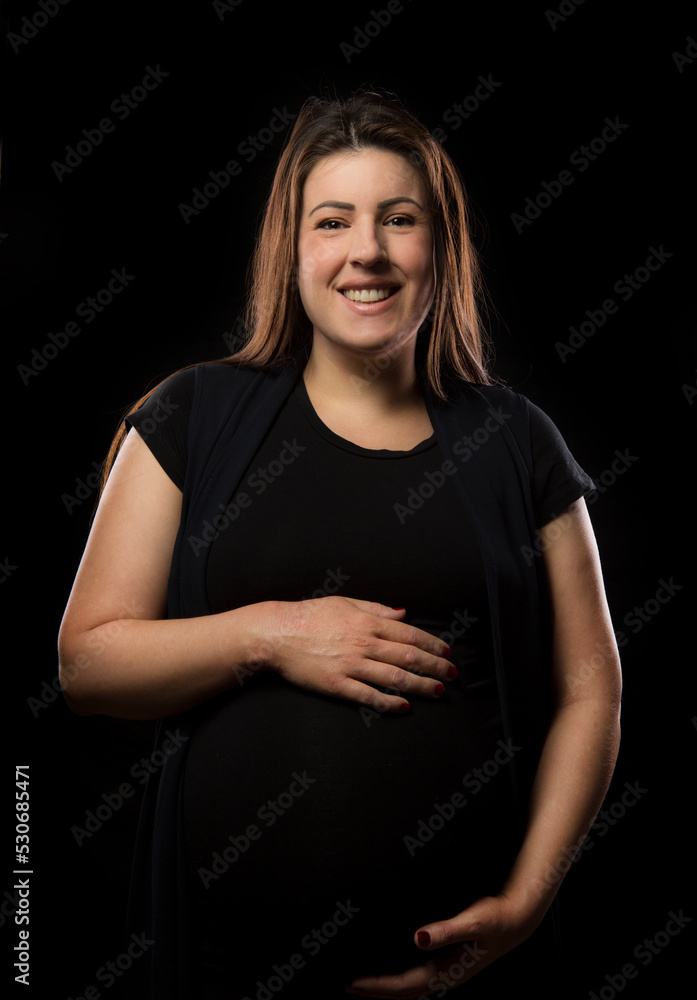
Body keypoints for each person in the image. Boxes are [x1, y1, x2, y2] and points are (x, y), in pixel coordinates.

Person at [58, 90, 622, 999]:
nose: (367, 250)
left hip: (459, 977)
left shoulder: (518, 442)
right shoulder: (189, 418)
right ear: (293, 251)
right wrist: (273, 633)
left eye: (399, 219)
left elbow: (590, 689)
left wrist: (522, 906)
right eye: (333, 221)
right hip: (222, 972)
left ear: (440, 247)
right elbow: (87, 665)